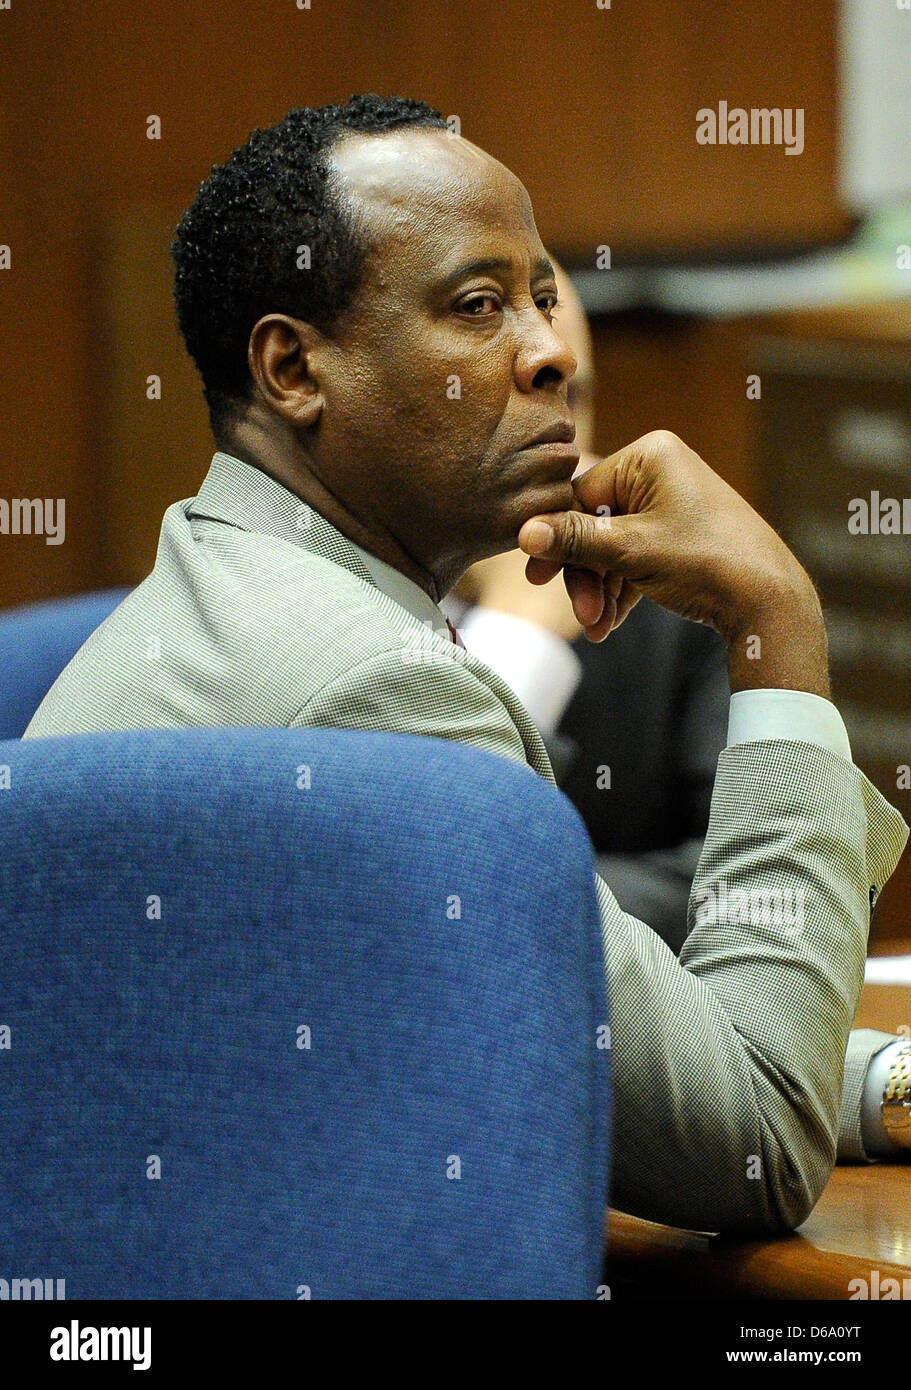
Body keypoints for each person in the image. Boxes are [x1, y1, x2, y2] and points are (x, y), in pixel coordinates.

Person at [24, 95, 908, 1232]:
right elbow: (747, 1142)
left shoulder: (224, 583)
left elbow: (579, 1056)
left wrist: (882, 1086)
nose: (551, 354)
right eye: (478, 305)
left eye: (544, 294)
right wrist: (774, 620)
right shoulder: (368, 688)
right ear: (293, 367)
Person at [447, 264, 911, 1167]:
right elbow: (422, 917)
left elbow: (767, 872)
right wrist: (518, 645)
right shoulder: (303, 627)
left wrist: (879, 1084)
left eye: (568, 394)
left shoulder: (661, 602)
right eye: (480, 309)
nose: (552, 432)